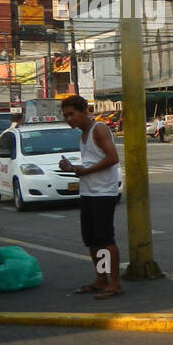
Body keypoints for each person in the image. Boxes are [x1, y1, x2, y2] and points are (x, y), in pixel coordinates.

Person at [58, 96, 123, 299]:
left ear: (84, 111)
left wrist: (85, 171)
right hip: (87, 192)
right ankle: (100, 279)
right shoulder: (82, 135)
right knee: (92, 239)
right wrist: (71, 168)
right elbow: (89, 162)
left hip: (103, 192)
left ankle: (114, 283)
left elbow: (113, 158)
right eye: (66, 116)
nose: (69, 119)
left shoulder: (99, 129)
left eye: (72, 114)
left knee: (104, 238)